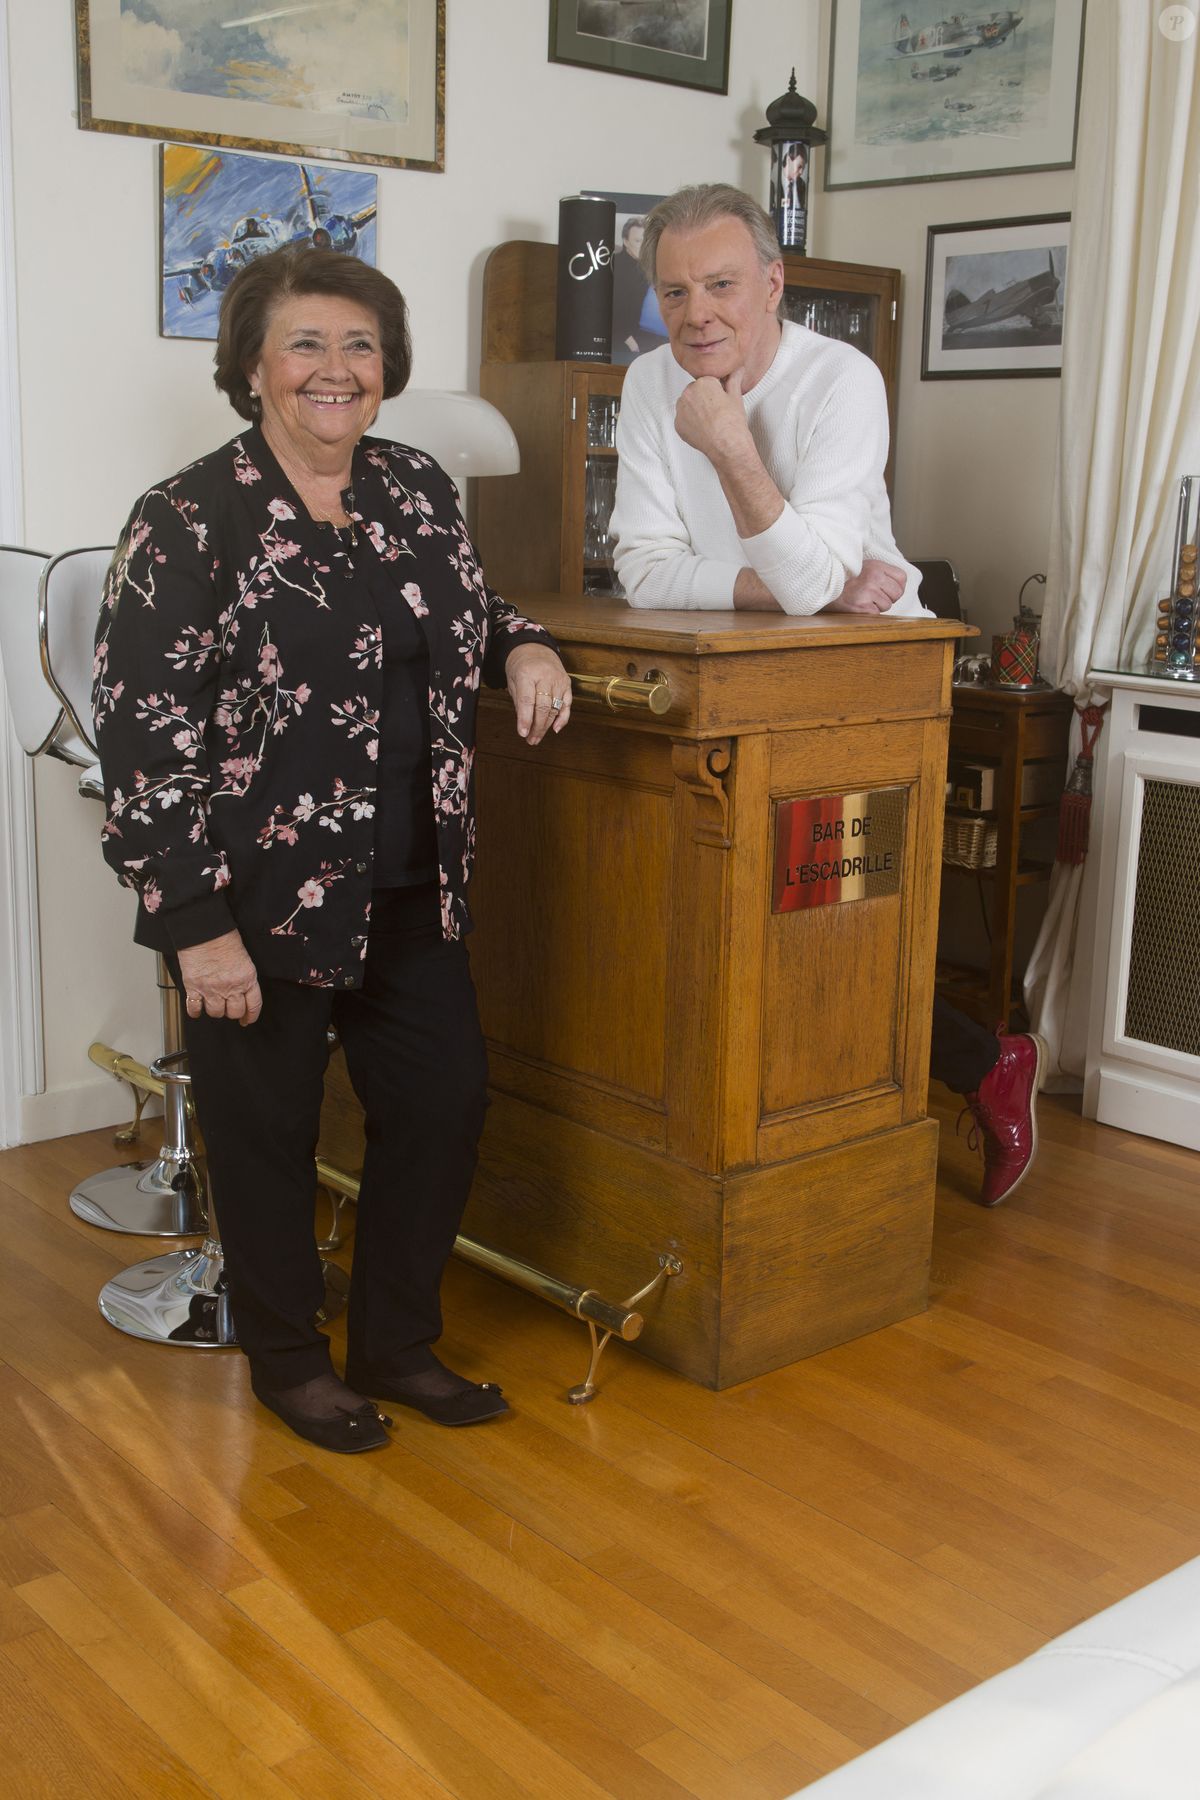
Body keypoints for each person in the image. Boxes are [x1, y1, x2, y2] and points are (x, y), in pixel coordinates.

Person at [93, 246, 573, 1452]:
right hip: (256, 902)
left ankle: (399, 1345)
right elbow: (144, 739)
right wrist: (196, 927)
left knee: (441, 1106)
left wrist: (522, 644)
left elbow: (461, 609)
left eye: (358, 345)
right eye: (305, 343)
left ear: (386, 368)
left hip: (411, 884)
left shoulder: (415, 486)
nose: (335, 368)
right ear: (254, 365)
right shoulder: (187, 517)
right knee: (267, 1140)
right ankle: (291, 1361)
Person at [610, 184, 1043, 1202]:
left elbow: (813, 584)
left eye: (720, 285)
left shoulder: (840, 379)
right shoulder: (643, 384)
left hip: (868, 686)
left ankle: (964, 1078)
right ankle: (928, 1089)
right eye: (673, 293)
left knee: (835, 925)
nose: (695, 314)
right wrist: (792, 584)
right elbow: (641, 567)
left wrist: (727, 446)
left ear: (772, 282)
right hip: (743, 672)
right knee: (762, 924)